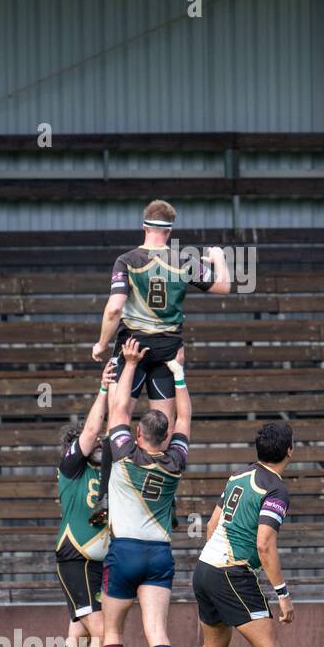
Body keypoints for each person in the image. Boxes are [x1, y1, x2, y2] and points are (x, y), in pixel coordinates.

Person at [149, 422, 295, 647]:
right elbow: (265, 544)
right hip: (233, 572)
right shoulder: (276, 490)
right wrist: (282, 594)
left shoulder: (237, 478)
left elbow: (213, 525)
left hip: (205, 568)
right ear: (289, 451)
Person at [89, 200, 230, 525]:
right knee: (164, 427)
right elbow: (223, 286)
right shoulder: (184, 261)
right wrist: (219, 258)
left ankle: (107, 498)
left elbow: (113, 309)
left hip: (132, 348)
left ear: (144, 226)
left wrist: (101, 345)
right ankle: (167, 503)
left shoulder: (127, 260)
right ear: (169, 230)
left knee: (118, 418)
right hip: (168, 353)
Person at [98, 338, 190, 647]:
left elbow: (118, 408)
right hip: (159, 554)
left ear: (139, 435)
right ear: (165, 437)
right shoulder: (175, 461)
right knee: (157, 630)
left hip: (124, 552)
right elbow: (184, 418)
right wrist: (178, 373)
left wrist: (130, 362)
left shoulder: (123, 453)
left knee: (112, 630)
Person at [40, 360, 117, 647]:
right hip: (75, 558)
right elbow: (90, 430)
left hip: (95, 562)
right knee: (102, 630)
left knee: (79, 635)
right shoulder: (71, 466)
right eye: (91, 442)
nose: (97, 444)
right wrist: (105, 388)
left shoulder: (105, 474)